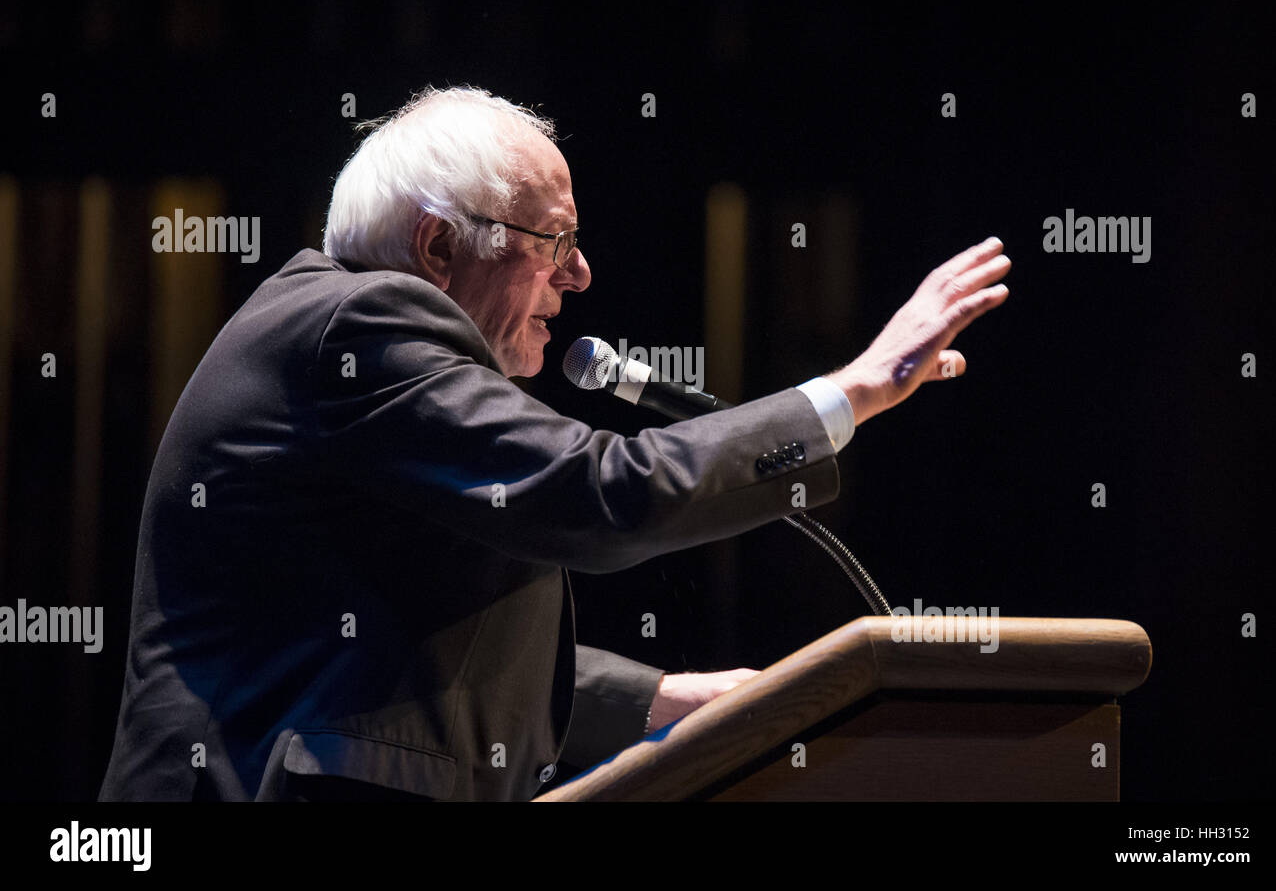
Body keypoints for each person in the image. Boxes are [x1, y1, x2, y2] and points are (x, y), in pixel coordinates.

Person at [98, 85, 1010, 801]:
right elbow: (598, 493)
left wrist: (664, 698)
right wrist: (854, 389)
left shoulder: (352, 343)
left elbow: (417, 632)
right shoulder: (357, 323)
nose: (578, 273)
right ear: (439, 243)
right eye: (554, 238)